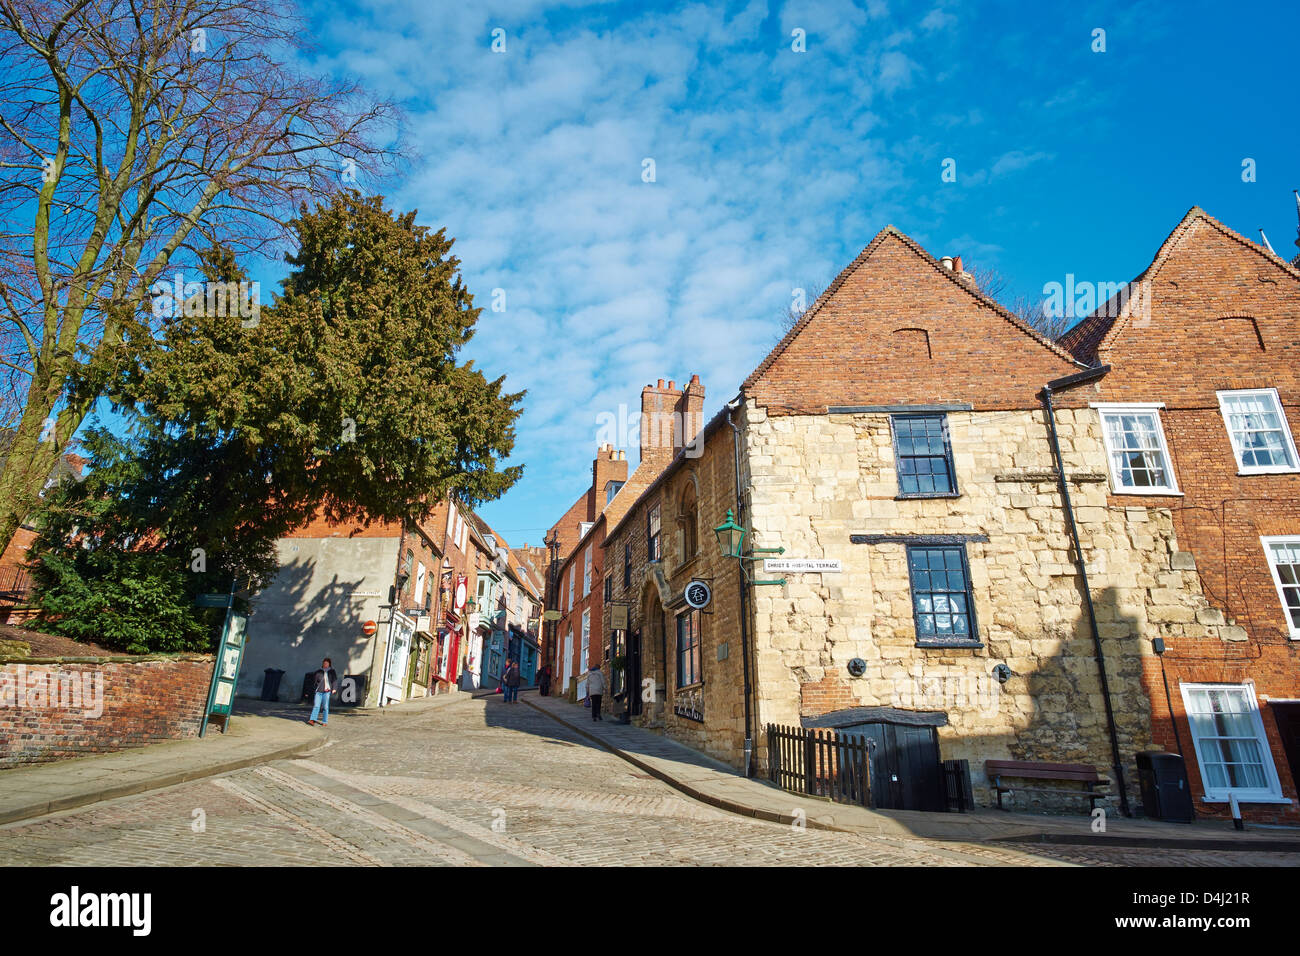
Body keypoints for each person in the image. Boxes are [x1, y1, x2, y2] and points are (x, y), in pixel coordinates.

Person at [308, 657, 337, 725]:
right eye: (324, 663)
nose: (325, 664)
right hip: (319, 691)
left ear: (329, 664)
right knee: (316, 705)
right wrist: (311, 689)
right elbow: (314, 681)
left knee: (325, 707)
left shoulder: (332, 671)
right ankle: (312, 720)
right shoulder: (319, 671)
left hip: (327, 691)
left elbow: (334, 681)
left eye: (327, 663)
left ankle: (324, 721)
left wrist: (334, 688)